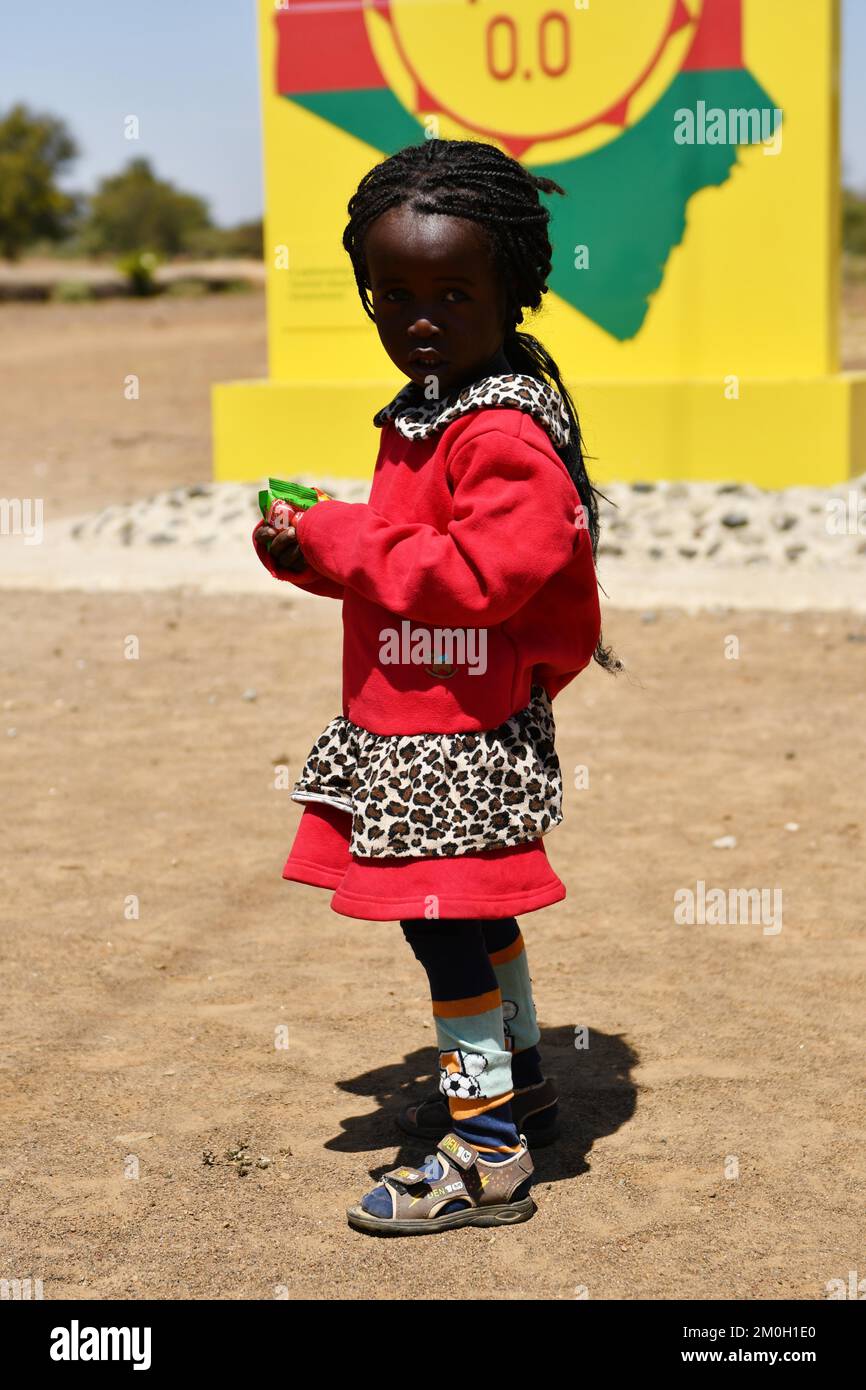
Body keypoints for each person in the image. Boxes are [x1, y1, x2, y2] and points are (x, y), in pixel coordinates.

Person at [253, 138, 618, 1236]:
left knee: (443, 927)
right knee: (468, 915)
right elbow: (406, 571)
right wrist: (307, 548)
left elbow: (468, 580)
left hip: (458, 736)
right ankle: (521, 1086)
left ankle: (486, 1153)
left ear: (514, 285)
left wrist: (340, 530)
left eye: (453, 291)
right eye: (392, 292)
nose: (419, 316)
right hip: (421, 720)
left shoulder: (500, 427)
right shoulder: (433, 404)